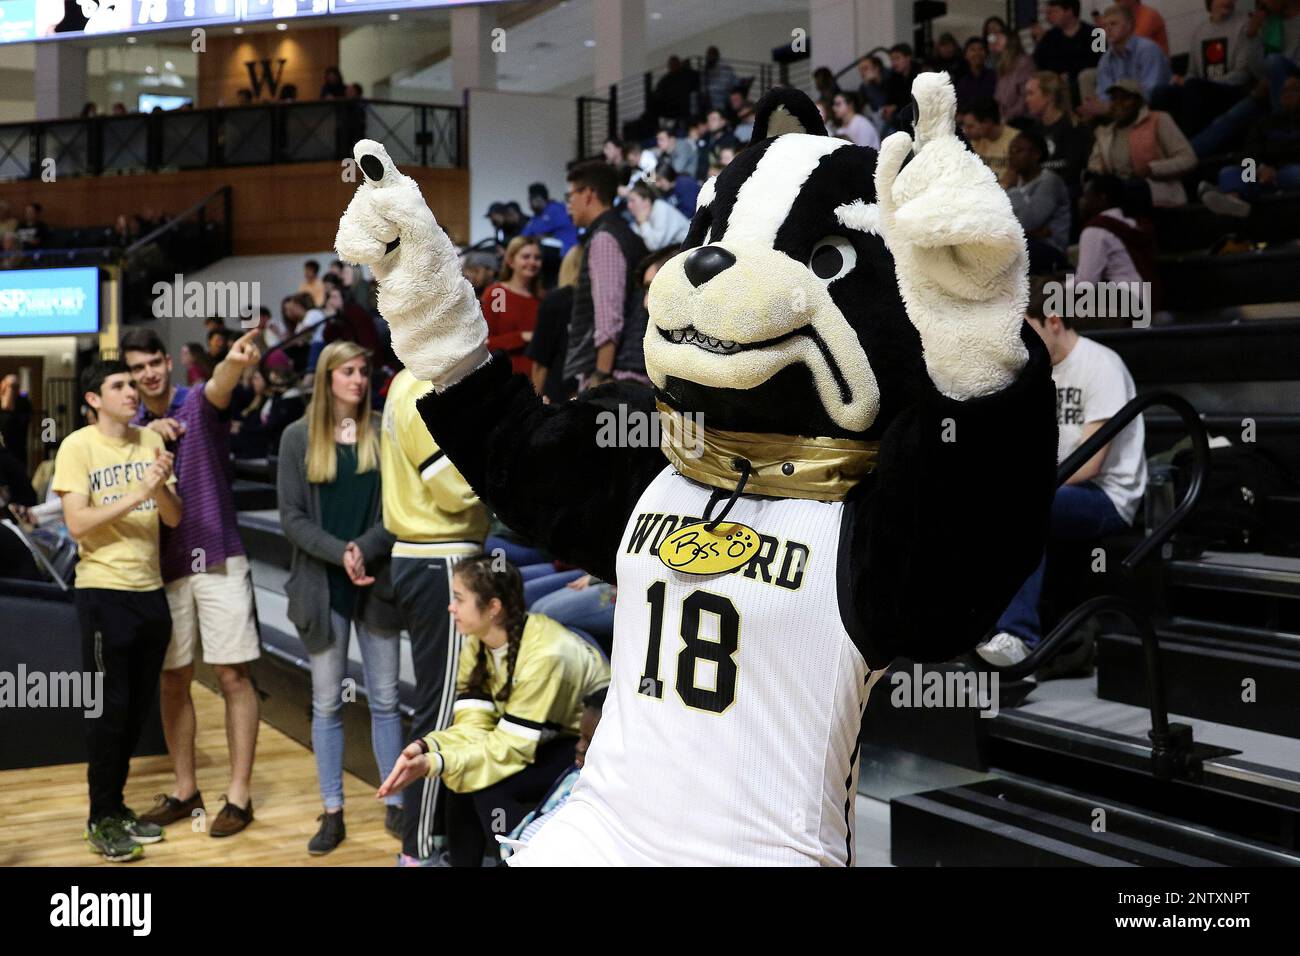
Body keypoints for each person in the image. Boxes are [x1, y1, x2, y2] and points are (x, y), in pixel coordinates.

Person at [376, 554, 610, 867]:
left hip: (586, 749)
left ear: (493, 608)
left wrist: (436, 761)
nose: (451, 607)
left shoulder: (546, 654)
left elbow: (511, 748)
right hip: (539, 735)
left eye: (459, 599)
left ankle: (518, 860)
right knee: (460, 771)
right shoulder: (478, 641)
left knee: (484, 783)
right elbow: (473, 727)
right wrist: (426, 747)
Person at [122, 327, 264, 838]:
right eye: (136, 369)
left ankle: (239, 797)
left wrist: (233, 359)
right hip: (160, 567)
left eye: (154, 362)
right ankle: (186, 791)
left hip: (219, 557)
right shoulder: (131, 427)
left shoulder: (197, 402)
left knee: (232, 676)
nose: (148, 374)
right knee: (173, 678)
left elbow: (220, 385)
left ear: (168, 362)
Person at [979, 277, 1147, 666]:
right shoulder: (1033, 372)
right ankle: (972, 624)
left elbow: (1091, 464)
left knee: (1023, 508)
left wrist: (1023, 484)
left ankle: (1018, 636)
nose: (1020, 341)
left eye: (1027, 330)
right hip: (1053, 486)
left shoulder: (1101, 365)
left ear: (1053, 320)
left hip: (1107, 497)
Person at [52, 360, 181, 861]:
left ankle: (116, 804)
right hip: (103, 592)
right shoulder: (76, 447)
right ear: (93, 398)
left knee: (134, 711)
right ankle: (99, 816)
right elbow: (78, 523)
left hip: (151, 589)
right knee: (107, 711)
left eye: (133, 384)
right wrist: (139, 493)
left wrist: (162, 488)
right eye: (119, 385)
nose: (133, 391)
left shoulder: (151, 441)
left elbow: (173, 516)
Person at [277, 341, 402, 855]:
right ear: (327, 378)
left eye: (363, 370)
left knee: (388, 700)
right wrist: (341, 552)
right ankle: (333, 811)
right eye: (348, 371)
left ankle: (396, 803)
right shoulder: (297, 437)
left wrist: (363, 549)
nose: (358, 380)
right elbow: (291, 517)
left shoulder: (380, 434)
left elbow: (394, 513)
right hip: (321, 583)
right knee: (327, 702)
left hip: (376, 582)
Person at [380, 367, 488, 865]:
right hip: (439, 558)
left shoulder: (408, 383)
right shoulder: (422, 388)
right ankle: (418, 850)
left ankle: (435, 840)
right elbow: (456, 490)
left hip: (432, 556)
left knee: (448, 707)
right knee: (441, 713)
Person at [563, 160, 651, 388]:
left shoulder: (604, 239)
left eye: (570, 196)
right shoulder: (626, 233)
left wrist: (601, 375)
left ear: (588, 194)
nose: (568, 204)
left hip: (616, 375)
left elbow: (609, 317)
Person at [499, 687, 605, 861]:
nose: (579, 746)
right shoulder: (574, 773)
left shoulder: (603, 794)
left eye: (589, 740)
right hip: (521, 853)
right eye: (580, 736)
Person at [1152, 0, 1255, 138]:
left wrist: (1204, 84)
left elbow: (1242, 74)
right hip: (1200, 89)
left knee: (1194, 88)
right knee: (1161, 93)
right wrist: (1183, 80)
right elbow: (1192, 72)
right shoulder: (1200, 31)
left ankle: (1187, 146)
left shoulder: (1244, 24)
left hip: (1231, 89)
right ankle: (1165, 146)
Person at [1087, 78, 1196, 207]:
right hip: (1119, 193)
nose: (1118, 104)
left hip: (1156, 191)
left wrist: (1153, 168)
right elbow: (1094, 165)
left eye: (1125, 98)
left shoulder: (1159, 119)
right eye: (1114, 99)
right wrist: (1099, 174)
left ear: (1138, 102)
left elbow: (1189, 159)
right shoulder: (1105, 133)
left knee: (1126, 193)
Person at [1203, 72, 1300, 215]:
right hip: (1259, 174)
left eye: (1293, 90)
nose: (1286, 95)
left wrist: (1275, 170)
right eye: (1284, 91)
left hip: (1287, 173)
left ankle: (1225, 191)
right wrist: (1260, 168)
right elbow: (1248, 152)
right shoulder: (1266, 123)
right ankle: (1234, 203)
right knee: (1229, 172)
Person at [1074, 173, 1161, 308]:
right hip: (1150, 299)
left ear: (1102, 198)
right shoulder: (1135, 224)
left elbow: (1086, 284)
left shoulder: (1096, 229)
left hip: (1125, 305)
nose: (1081, 201)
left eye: (1086, 196)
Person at [1083, 3, 1171, 118]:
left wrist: (1112, 107)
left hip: (1152, 111)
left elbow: (1151, 92)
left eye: (1113, 24)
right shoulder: (1105, 59)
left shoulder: (1147, 49)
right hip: (1120, 112)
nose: (1108, 29)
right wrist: (1102, 106)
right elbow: (1103, 94)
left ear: (1129, 26)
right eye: (1104, 26)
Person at [1007, 130, 1072, 273]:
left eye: (1018, 150)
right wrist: (1032, 232)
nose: (1012, 155)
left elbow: (1028, 221)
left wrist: (1011, 188)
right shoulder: (1017, 183)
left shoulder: (1050, 181)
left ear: (1036, 154)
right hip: (1024, 242)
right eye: (1010, 150)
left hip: (1050, 248)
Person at [525, 245, 582, 401]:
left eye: (537, 257)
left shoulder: (557, 299)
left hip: (559, 393)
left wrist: (535, 403)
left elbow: (541, 360)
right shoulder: (606, 301)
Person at [480, 236, 543, 376]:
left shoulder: (541, 299)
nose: (532, 262)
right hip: (503, 378)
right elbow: (486, 342)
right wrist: (522, 337)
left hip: (535, 380)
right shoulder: (499, 294)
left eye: (537, 258)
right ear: (511, 261)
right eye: (526, 257)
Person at [1025, 71, 1091, 190]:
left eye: (1031, 94)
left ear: (1049, 96)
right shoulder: (1032, 131)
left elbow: (1072, 171)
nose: (1026, 100)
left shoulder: (1074, 129)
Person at [1034, 0, 1104, 105]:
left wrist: (1071, 74)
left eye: (1054, 12)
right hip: (1057, 86)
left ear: (1069, 11)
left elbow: (1101, 63)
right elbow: (1039, 63)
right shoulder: (1048, 37)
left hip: (1085, 85)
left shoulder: (1096, 34)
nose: (1049, 17)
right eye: (1048, 13)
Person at [962, 97, 1018, 187]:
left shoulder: (1016, 140)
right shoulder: (976, 141)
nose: (965, 131)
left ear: (987, 123)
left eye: (970, 126)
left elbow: (1011, 179)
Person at [626, 181, 689, 253]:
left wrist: (643, 223)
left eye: (632, 201)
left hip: (692, 246)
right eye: (627, 202)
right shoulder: (635, 223)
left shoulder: (660, 207)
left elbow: (655, 246)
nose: (628, 205)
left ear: (646, 201)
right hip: (676, 252)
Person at [520, 183, 578, 255]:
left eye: (530, 199)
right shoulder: (536, 216)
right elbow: (523, 236)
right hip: (551, 253)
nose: (529, 204)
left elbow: (541, 231)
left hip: (566, 251)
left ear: (539, 198)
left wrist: (538, 237)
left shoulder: (556, 209)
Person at [993, 28, 1036, 121]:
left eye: (1000, 38)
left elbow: (1025, 95)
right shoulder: (1002, 64)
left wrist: (1009, 115)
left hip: (1021, 118)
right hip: (1005, 116)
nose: (996, 41)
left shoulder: (1024, 63)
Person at [0, 373, 33, 470]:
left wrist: (9, 406)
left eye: (13, 386)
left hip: (17, 447)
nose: (10, 390)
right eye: (8, 386)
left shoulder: (23, 402)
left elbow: (22, 422)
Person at [956, 37, 998, 112]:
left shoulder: (995, 77)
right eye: (973, 50)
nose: (977, 53)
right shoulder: (962, 83)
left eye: (980, 49)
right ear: (965, 55)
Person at [700, 46, 738, 114]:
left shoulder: (725, 69)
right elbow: (702, 86)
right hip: (707, 103)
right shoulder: (705, 69)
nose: (709, 56)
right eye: (708, 54)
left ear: (717, 55)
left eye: (712, 54)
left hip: (721, 102)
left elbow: (730, 83)